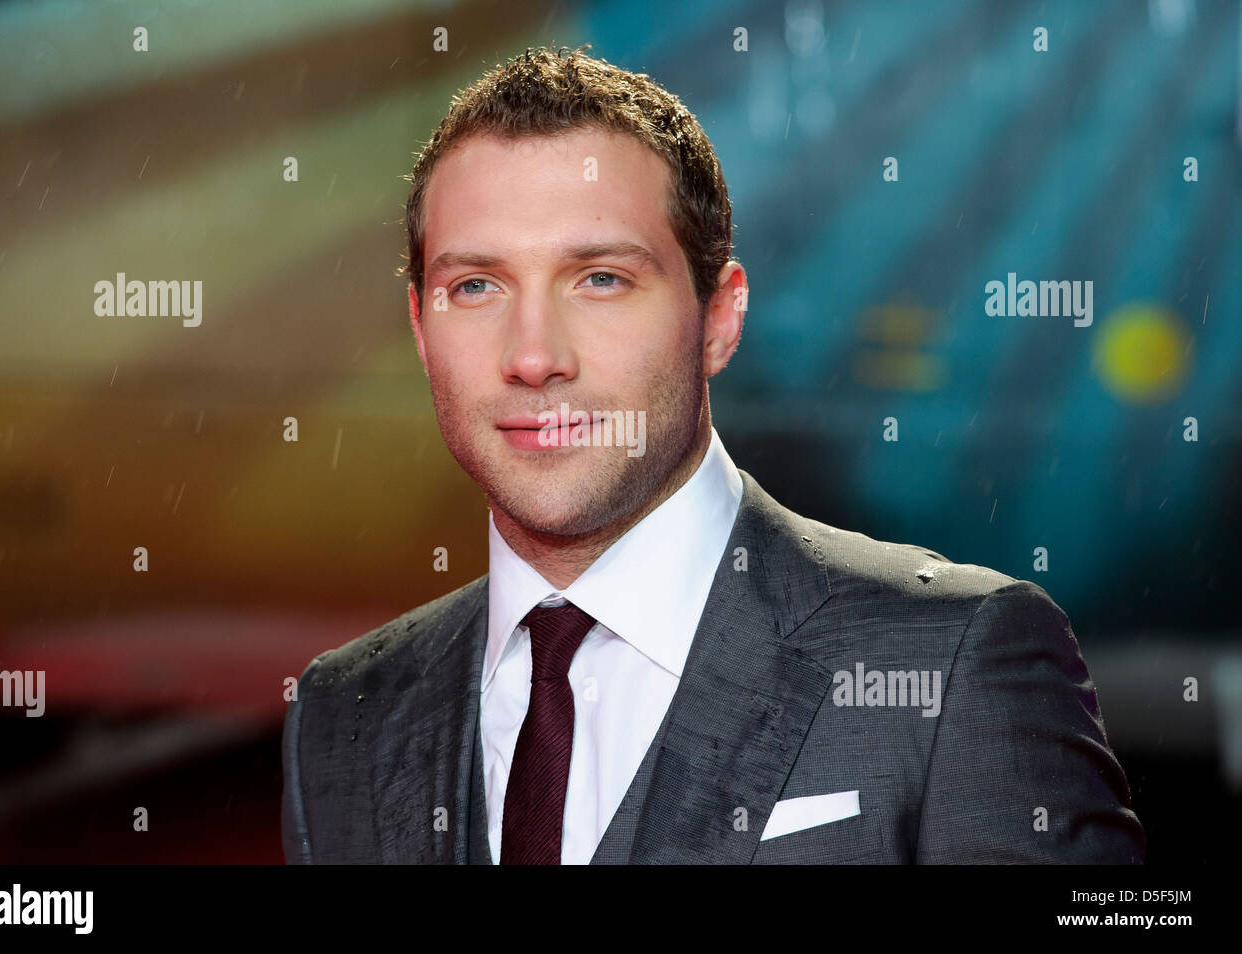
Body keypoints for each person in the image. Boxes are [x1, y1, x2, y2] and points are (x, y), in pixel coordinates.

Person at [281, 45, 1144, 864]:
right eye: (477, 286)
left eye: (601, 279)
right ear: (420, 331)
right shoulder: (343, 715)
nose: (534, 354)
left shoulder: (953, 666)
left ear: (720, 319)